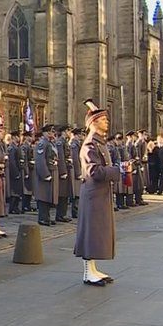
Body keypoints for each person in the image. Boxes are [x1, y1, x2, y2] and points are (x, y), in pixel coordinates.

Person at [74, 100, 121, 286]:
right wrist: (117, 171)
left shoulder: (99, 143)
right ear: (93, 123)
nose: (106, 122)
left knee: (98, 232)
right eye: (102, 119)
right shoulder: (89, 145)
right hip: (93, 194)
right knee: (90, 233)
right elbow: (94, 171)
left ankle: (93, 269)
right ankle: (87, 272)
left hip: (100, 193)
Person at [33, 125, 59, 226]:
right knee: (44, 196)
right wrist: (45, 174)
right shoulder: (42, 144)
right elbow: (40, 160)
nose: (52, 134)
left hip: (52, 170)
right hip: (45, 173)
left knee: (49, 196)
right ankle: (42, 218)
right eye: (50, 132)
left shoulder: (50, 143)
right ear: (46, 133)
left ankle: (47, 217)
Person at [54, 125, 73, 223]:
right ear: (64, 132)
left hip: (67, 168)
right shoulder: (60, 142)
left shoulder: (64, 141)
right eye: (69, 131)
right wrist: (63, 171)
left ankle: (63, 214)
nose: (70, 133)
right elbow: (61, 157)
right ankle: (60, 214)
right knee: (62, 193)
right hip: (63, 170)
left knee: (65, 193)